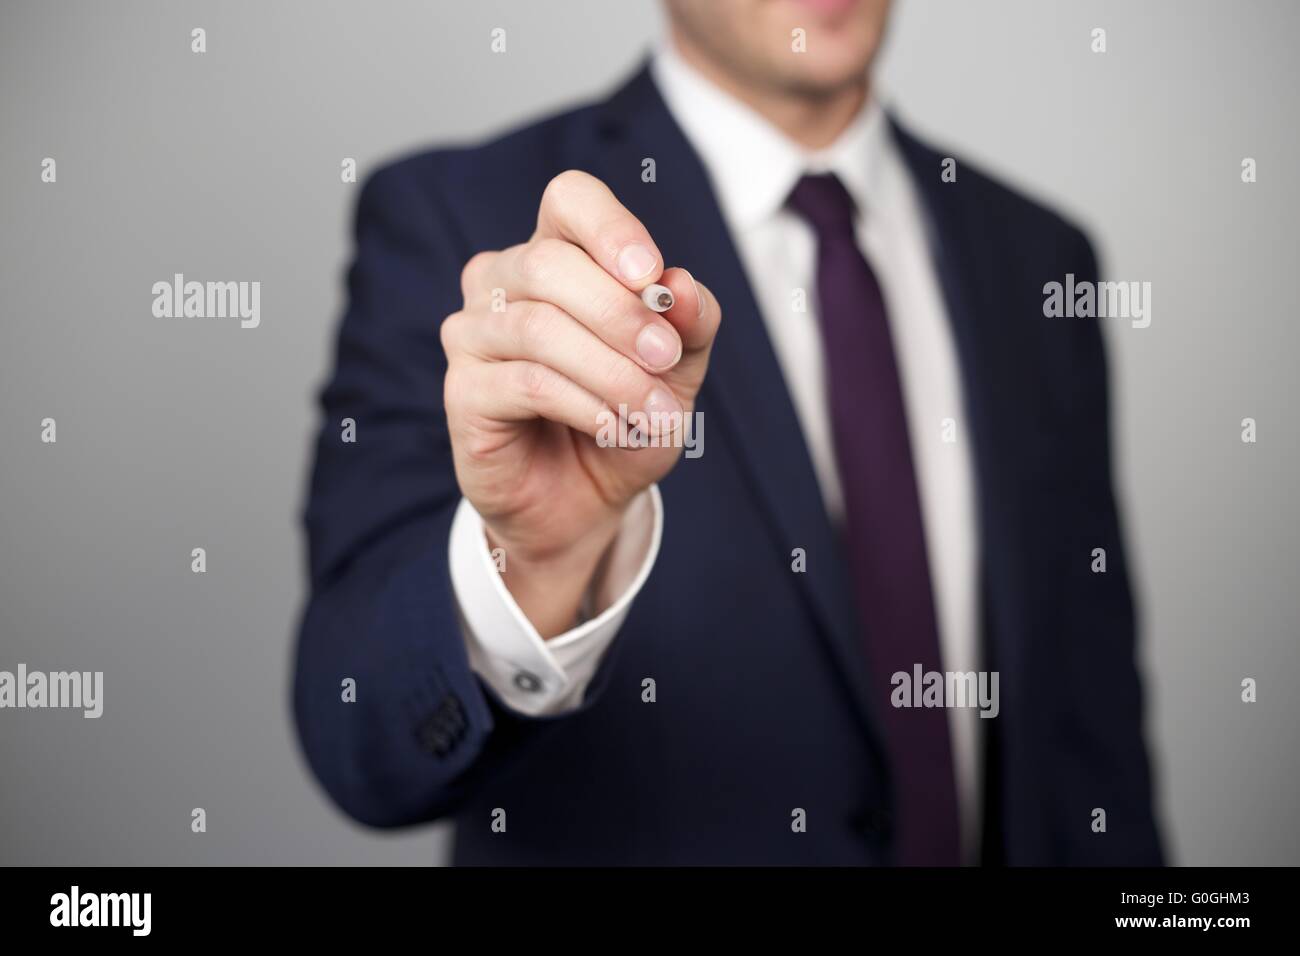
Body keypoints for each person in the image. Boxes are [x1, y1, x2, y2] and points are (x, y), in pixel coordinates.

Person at [293, 0, 1163, 865]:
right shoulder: (457, 218)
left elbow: (1089, 733)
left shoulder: (1041, 260)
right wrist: (534, 566)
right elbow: (356, 739)